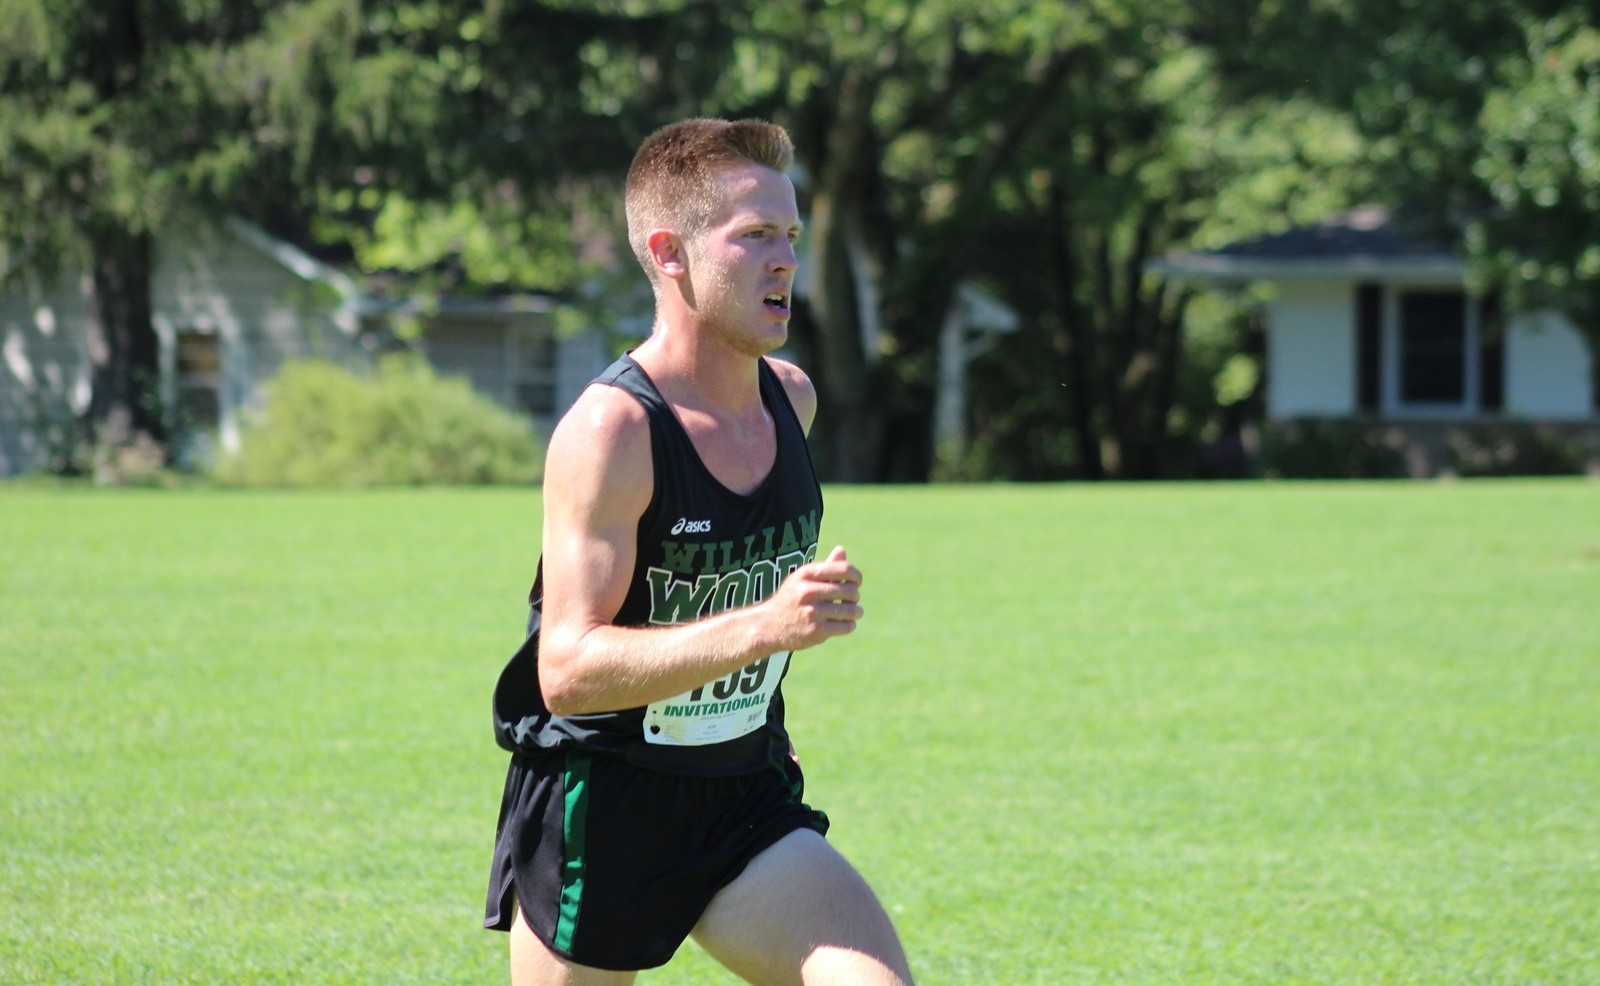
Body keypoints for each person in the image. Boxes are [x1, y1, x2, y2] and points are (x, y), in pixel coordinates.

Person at [483, 118, 915, 986]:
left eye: (790, 234)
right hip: (601, 808)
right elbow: (565, 667)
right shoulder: (612, 432)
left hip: (741, 796)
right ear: (670, 252)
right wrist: (764, 628)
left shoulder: (792, 400)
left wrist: (757, 698)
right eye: (755, 235)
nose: (785, 259)